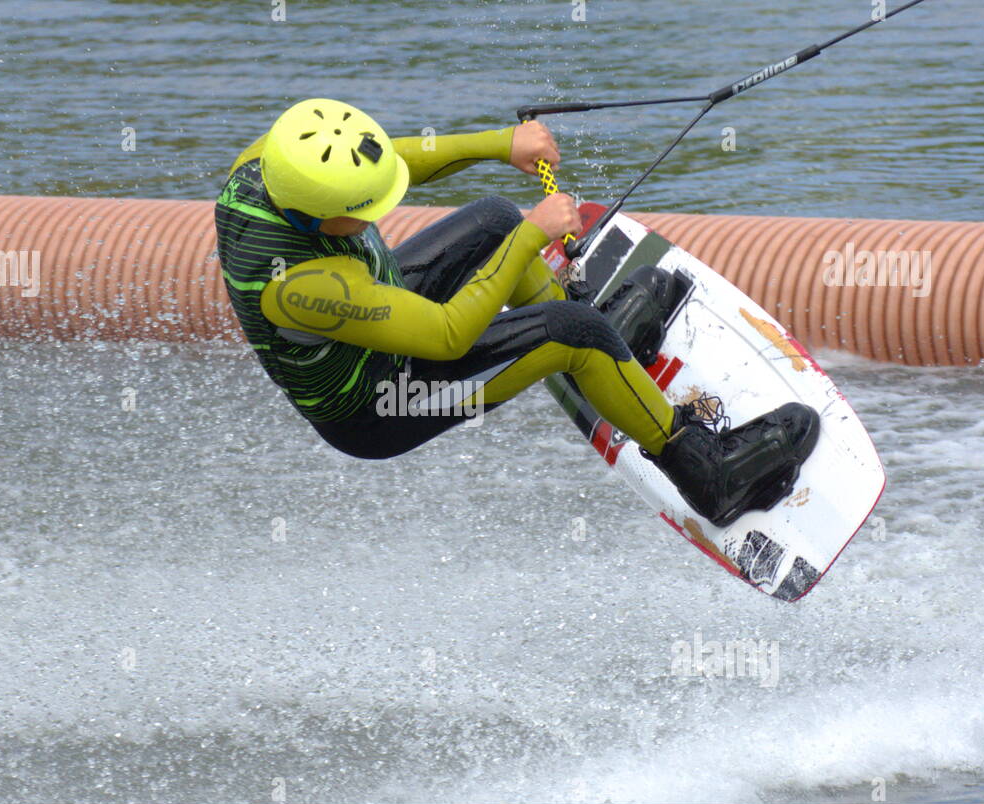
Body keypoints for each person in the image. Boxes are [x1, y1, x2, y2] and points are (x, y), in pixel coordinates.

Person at [215, 98, 818, 527]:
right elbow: (449, 337)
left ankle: (614, 358)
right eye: (367, 207)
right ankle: (708, 475)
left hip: (380, 323)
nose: (382, 207)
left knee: (494, 217)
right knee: (571, 333)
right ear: (322, 217)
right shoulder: (302, 287)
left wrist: (498, 146)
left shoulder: (273, 161)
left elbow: (393, 158)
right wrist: (533, 236)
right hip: (380, 403)